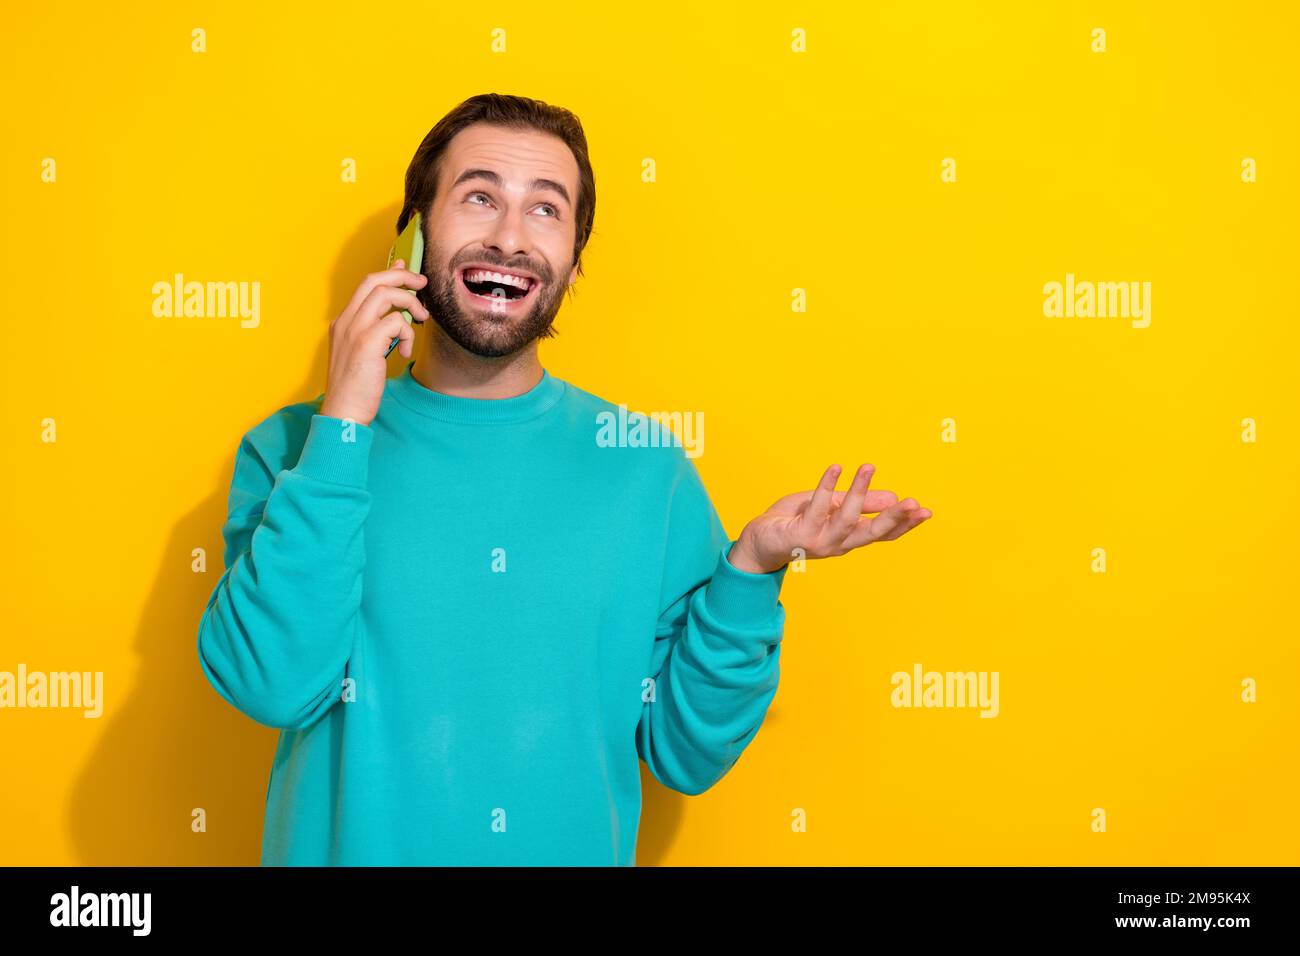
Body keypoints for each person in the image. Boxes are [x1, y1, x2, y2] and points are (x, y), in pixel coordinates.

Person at [196, 93, 933, 866]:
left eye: (545, 211)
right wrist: (345, 421)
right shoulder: (293, 450)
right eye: (479, 197)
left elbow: (685, 753)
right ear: (411, 236)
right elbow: (267, 684)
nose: (510, 237)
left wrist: (750, 569)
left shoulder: (643, 468)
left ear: (574, 263)